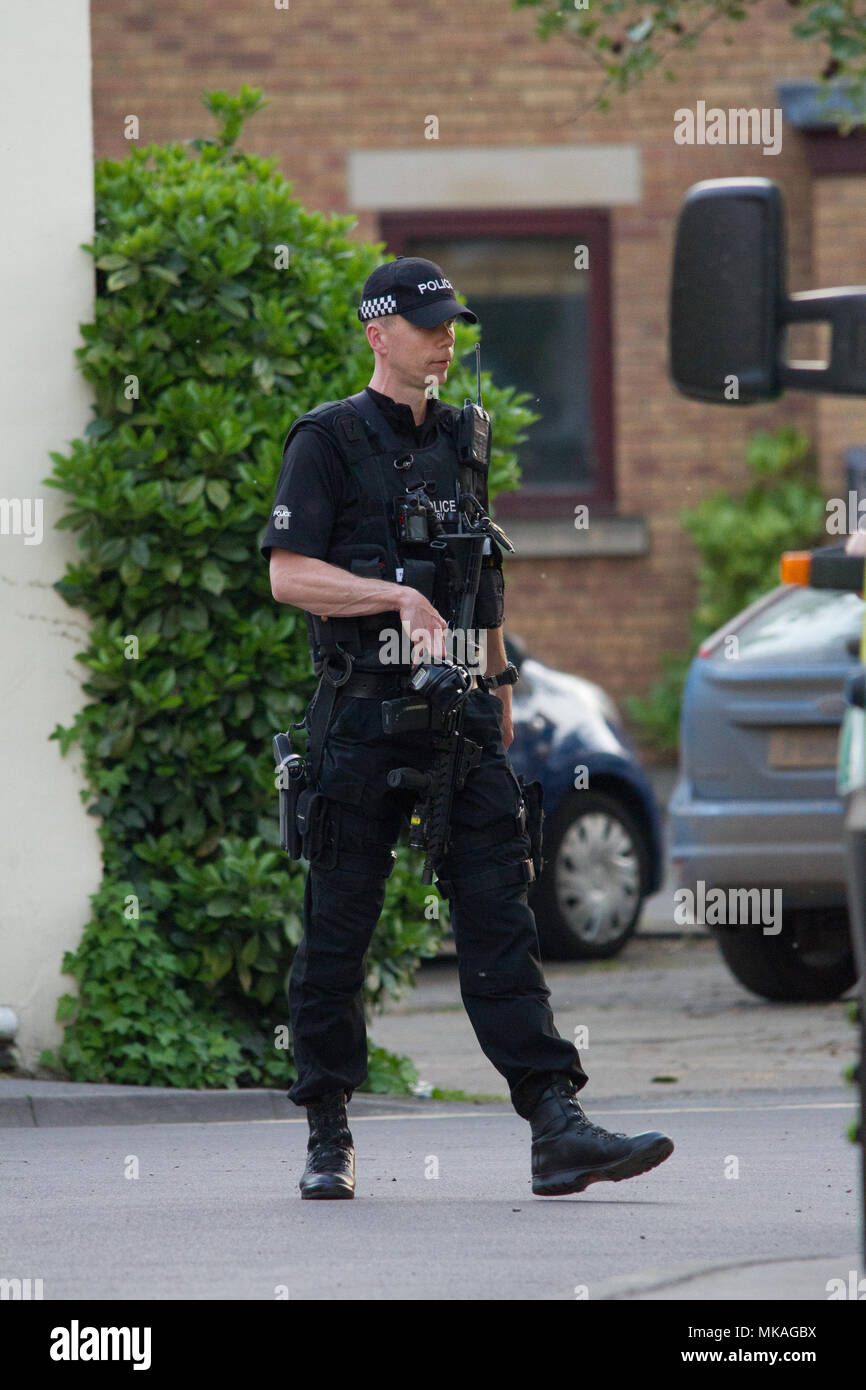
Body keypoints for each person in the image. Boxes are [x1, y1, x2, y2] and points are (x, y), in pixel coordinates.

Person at [261, 256, 674, 1199]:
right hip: (361, 728)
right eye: (428, 322)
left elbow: (478, 584)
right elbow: (288, 574)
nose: (447, 336)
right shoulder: (325, 440)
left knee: (500, 922)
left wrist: (501, 695)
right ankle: (328, 1132)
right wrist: (390, 594)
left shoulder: (469, 438)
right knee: (337, 937)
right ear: (378, 333)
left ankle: (555, 1125)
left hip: (461, 731)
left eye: (453, 323)